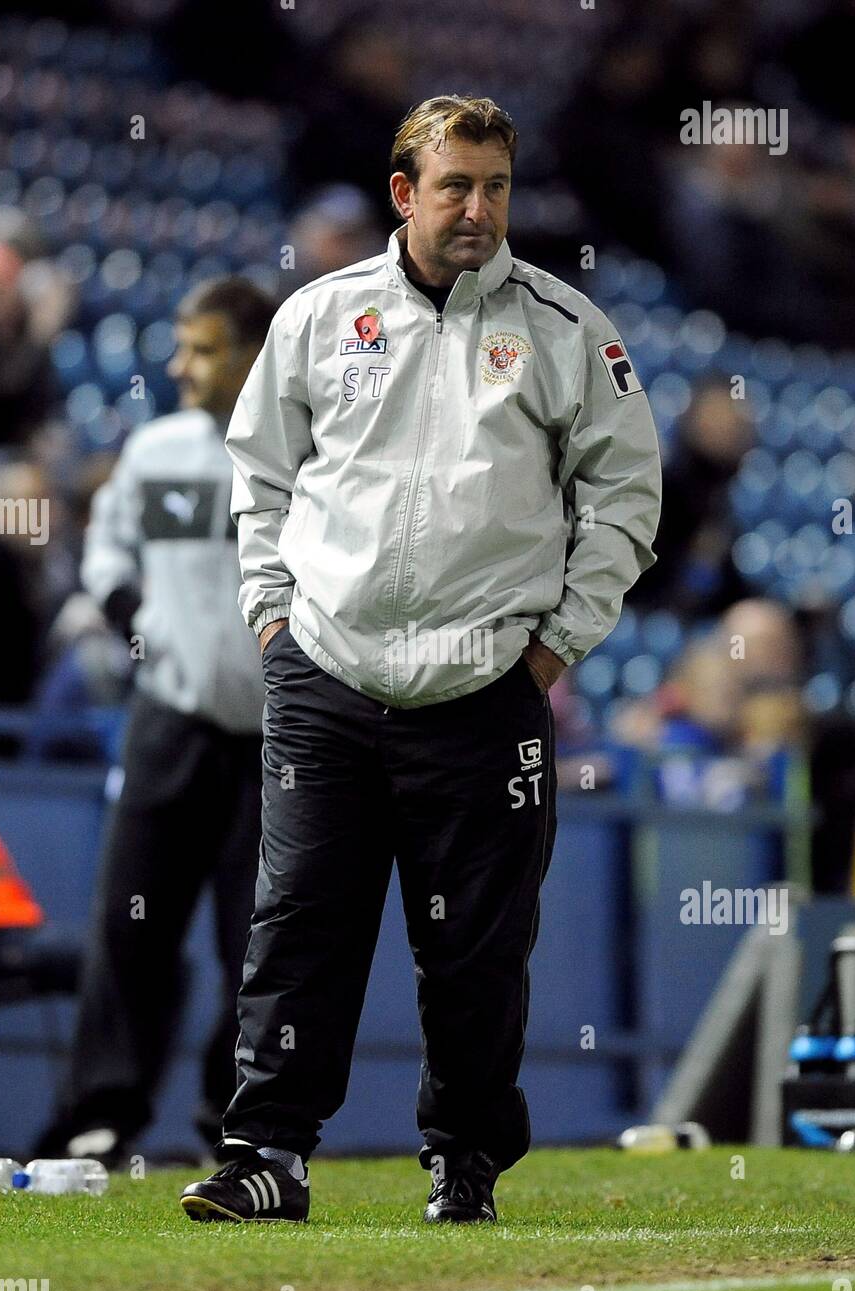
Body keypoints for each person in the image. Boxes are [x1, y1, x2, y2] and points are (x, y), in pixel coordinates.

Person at [180, 95, 662, 1225]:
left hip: (487, 691)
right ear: (404, 193)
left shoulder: (566, 328)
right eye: (455, 187)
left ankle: (464, 1164)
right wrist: (271, 619)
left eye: (494, 188)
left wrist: (552, 650)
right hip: (323, 676)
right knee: (297, 922)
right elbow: (259, 476)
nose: (477, 210)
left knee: (475, 955)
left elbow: (626, 499)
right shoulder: (316, 316)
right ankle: (267, 1155)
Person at [33, 277, 277, 1167]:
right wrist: (140, 614)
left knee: (259, 944)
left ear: (255, 353)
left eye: (203, 348)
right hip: (168, 722)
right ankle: (101, 1115)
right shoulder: (156, 449)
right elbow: (105, 552)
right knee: (129, 927)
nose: (180, 365)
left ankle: (238, 1126)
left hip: (277, 740)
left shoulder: (312, 455)